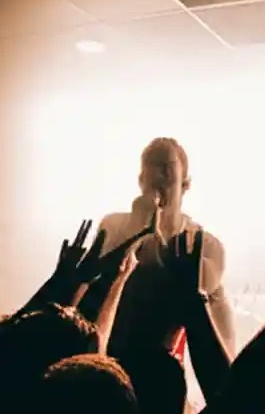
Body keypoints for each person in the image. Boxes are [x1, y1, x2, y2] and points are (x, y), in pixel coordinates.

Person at [98, 137, 236, 360]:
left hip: (160, 374)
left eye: (167, 174)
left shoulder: (205, 246)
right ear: (141, 180)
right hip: (107, 363)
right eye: (153, 177)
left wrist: (150, 235)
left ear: (185, 184)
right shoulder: (113, 226)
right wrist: (137, 229)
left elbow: (182, 299)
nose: (159, 182)